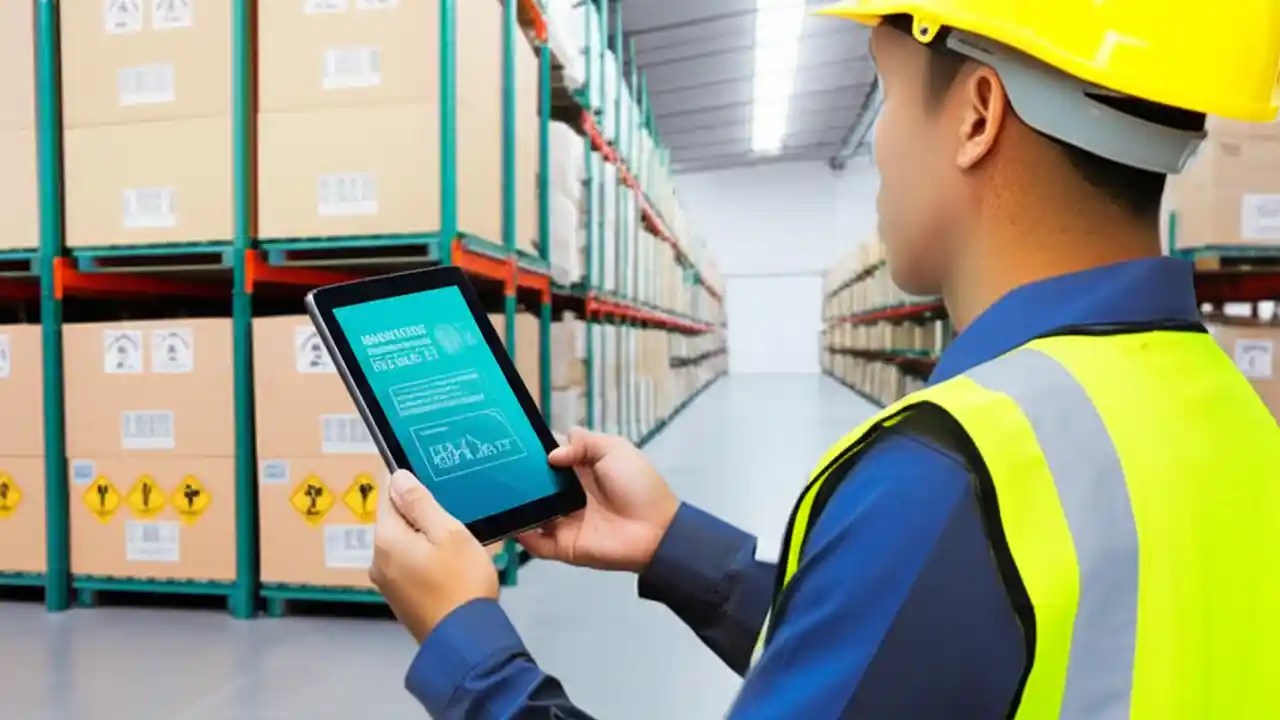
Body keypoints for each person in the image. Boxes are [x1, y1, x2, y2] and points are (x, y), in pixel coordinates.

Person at [371, 1, 1280, 717]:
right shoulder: (1231, 415)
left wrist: (466, 644)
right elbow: (937, 657)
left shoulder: (952, 475)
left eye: (884, 92)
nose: (878, 147)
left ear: (976, 115)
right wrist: (675, 548)